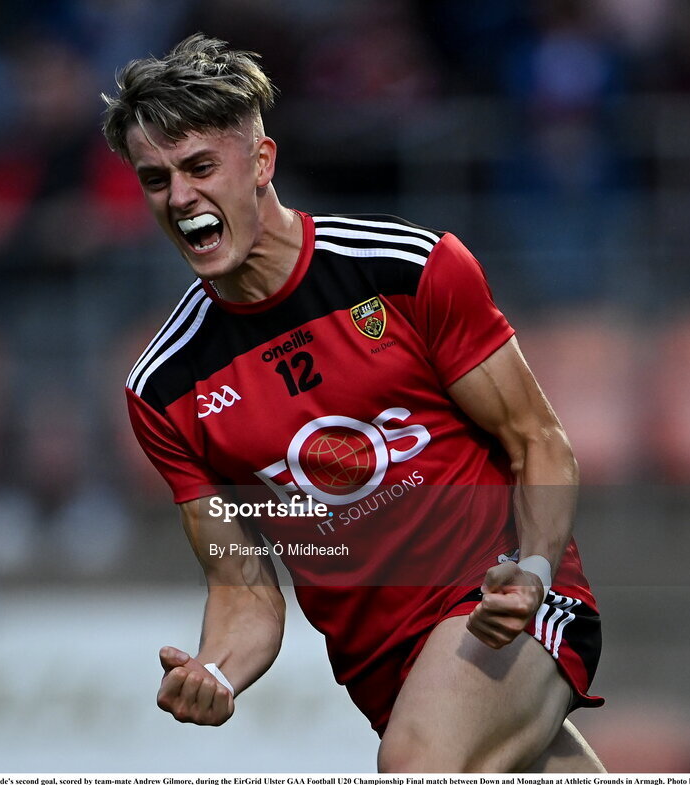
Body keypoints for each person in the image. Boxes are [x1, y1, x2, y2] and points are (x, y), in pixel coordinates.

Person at [102, 34, 605, 773]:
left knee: (419, 765)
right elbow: (243, 589)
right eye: (156, 179)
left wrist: (532, 570)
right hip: (383, 671)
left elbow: (538, 440)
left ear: (262, 162)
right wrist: (216, 671)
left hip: (504, 601)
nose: (179, 198)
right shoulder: (165, 388)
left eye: (200, 167)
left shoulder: (404, 269)